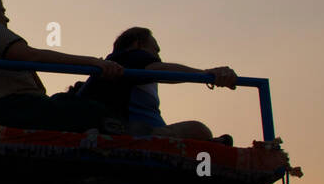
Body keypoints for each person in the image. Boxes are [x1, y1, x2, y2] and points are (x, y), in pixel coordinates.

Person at [0, 0, 123, 132]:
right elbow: (31, 56)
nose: (7, 18)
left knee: (66, 102)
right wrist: (92, 62)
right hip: (2, 107)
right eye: (2, 11)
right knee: (91, 110)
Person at [79, 27, 237, 142]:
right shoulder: (130, 57)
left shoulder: (125, 67)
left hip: (132, 126)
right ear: (137, 44)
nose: (158, 55)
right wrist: (208, 75)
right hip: (126, 129)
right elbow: (160, 70)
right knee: (198, 129)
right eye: (155, 49)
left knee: (200, 133)